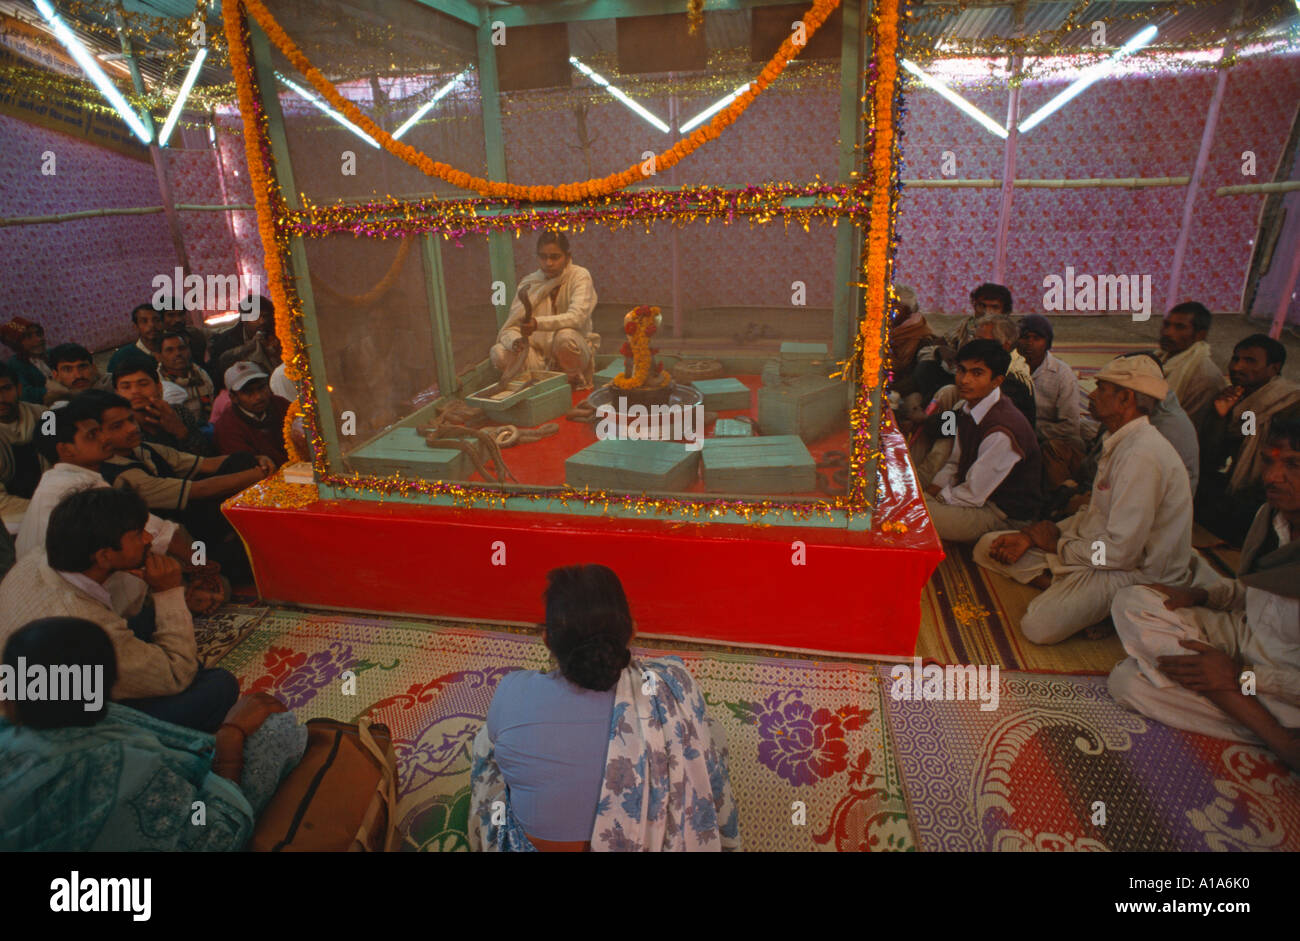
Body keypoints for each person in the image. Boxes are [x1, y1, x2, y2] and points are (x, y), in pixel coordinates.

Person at [470, 564, 739, 852]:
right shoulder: (672, 685)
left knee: (487, 738)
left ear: (547, 638)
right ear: (632, 631)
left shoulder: (511, 691)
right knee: (702, 729)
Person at [0, 617, 306, 850]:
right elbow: (215, 840)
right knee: (274, 730)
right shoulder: (116, 771)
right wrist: (230, 739)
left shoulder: (23, 732)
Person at [1108, 419, 1300, 772]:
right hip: (1248, 637)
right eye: (1269, 461)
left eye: (1293, 464)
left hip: (1283, 684)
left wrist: (1241, 677)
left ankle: (1279, 737)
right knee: (1134, 600)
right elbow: (1256, 589)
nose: (1272, 477)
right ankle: (1241, 707)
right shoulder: (1270, 517)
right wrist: (1199, 595)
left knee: (1129, 683)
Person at [974, 355, 1194, 644]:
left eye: (1101, 389)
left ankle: (1087, 598)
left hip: (1134, 571)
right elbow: (1096, 518)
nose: (1091, 395)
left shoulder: (1142, 455)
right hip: (1095, 552)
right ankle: (1071, 588)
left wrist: (1056, 545)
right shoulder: (1122, 441)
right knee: (987, 547)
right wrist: (1029, 537)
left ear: (1125, 398)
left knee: (1038, 626)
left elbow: (1121, 554)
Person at [0, 488, 237, 732]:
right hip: (66, 723)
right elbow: (178, 674)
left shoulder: (40, 558)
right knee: (219, 685)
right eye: (137, 535)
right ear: (103, 557)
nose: (147, 539)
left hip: (40, 682)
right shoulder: (82, 621)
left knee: (149, 619)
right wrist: (169, 593)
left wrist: (174, 596)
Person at [922, 339, 1041, 543]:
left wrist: (933, 500)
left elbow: (972, 494)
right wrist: (930, 492)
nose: (964, 380)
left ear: (997, 381)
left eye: (977, 373)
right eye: (961, 370)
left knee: (913, 516)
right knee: (911, 502)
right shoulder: (965, 406)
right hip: (970, 491)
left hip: (1000, 513)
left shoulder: (1003, 430)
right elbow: (955, 462)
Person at [1196, 334, 1300, 546]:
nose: (1237, 367)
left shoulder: (1289, 404)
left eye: (1250, 361)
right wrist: (1220, 416)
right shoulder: (1247, 405)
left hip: (1274, 495)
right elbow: (1215, 456)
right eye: (1236, 359)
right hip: (1241, 487)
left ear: (1274, 368)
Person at [490, 232, 600, 391]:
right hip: (540, 358)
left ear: (567, 256)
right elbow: (511, 327)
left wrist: (537, 323)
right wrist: (515, 342)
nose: (548, 263)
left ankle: (573, 381)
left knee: (565, 337)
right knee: (498, 352)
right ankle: (540, 383)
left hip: (572, 355)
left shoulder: (580, 276)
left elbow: (577, 318)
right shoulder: (529, 282)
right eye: (543, 257)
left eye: (555, 257)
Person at [1017, 314, 1085, 489]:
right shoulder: (1010, 368)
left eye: (1037, 338)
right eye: (1025, 337)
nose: (1029, 343)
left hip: (1053, 440)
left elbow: (1070, 426)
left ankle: (1059, 501)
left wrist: (1030, 431)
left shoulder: (1062, 374)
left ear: (1047, 343)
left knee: (1050, 450)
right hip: (1017, 433)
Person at [113, 352, 209, 455]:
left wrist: (181, 431)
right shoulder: (118, 428)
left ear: (159, 387)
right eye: (126, 387)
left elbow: (206, 455)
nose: (135, 391)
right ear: (117, 393)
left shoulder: (178, 412)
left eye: (143, 384)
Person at [1158, 301, 1225, 430]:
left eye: (1179, 327)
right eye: (1166, 325)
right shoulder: (1159, 359)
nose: (1168, 332)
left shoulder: (1205, 377)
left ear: (1200, 335)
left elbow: (1188, 427)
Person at [213, 362, 290, 466]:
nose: (258, 396)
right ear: (233, 398)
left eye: (261, 388)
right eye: (248, 392)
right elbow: (247, 467)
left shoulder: (281, 404)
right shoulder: (227, 427)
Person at [0, 364, 44, 528]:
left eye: (6, 388)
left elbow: (62, 456)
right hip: (14, 517)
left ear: (18, 389)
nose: (1, 398)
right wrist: (43, 510)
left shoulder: (45, 416)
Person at [209, 295, 280, 391]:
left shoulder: (275, 333)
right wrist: (249, 347)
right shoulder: (225, 341)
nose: (262, 321)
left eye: (265, 316)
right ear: (244, 319)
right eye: (255, 317)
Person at [158, 329, 215, 424]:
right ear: (159, 356)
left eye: (181, 348)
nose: (178, 354)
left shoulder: (201, 374)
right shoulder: (157, 382)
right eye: (170, 350)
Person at [887, 285, 937, 393]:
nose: (889, 313)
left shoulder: (923, 338)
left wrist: (888, 392)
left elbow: (916, 379)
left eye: (895, 309)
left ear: (909, 312)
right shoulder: (883, 331)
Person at [1, 316, 52, 404]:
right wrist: (61, 389)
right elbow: (24, 394)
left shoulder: (52, 354)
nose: (39, 339)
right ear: (17, 344)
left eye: (38, 334)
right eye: (29, 336)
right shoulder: (15, 364)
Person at [107, 303, 166, 376]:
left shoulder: (175, 348)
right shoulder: (122, 356)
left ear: (163, 323)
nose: (152, 325)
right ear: (135, 326)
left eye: (157, 320)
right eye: (144, 321)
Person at [43, 342, 110, 405]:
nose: (78, 375)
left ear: (94, 368)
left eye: (83, 367)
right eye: (68, 370)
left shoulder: (112, 384)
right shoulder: (52, 402)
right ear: (56, 375)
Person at [161, 298, 209, 370]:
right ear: (161, 318)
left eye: (181, 314)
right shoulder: (158, 342)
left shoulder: (195, 335)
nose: (178, 320)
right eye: (171, 315)